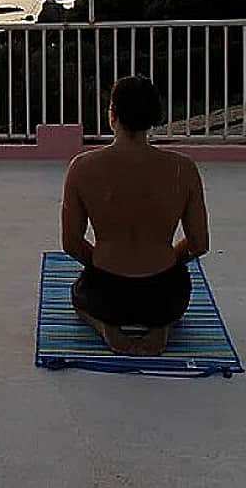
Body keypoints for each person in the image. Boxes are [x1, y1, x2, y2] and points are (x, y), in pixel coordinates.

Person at [62, 75, 208, 356]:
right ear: (155, 116)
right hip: (163, 294)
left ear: (112, 114)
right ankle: (161, 326)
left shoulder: (82, 168)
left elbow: (71, 243)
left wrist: (105, 262)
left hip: (106, 294)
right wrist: (166, 260)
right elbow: (199, 244)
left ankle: (104, 325)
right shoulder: (183, 169)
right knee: (177, 291)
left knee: (79, 297)